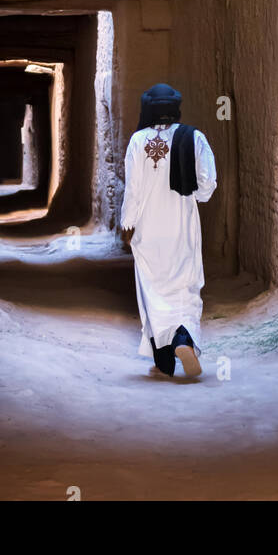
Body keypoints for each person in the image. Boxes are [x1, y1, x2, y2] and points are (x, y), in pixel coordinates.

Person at [120, 83, 217, 378]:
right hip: (182, 227)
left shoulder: (138, 141)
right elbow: (208, 184)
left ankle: (163, 362)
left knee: (153, 292)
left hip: (148, 229)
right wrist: (196, 195)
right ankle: (183, 339)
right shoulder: (194, 137)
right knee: (184, 287)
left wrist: (127, 223)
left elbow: (133, 190)